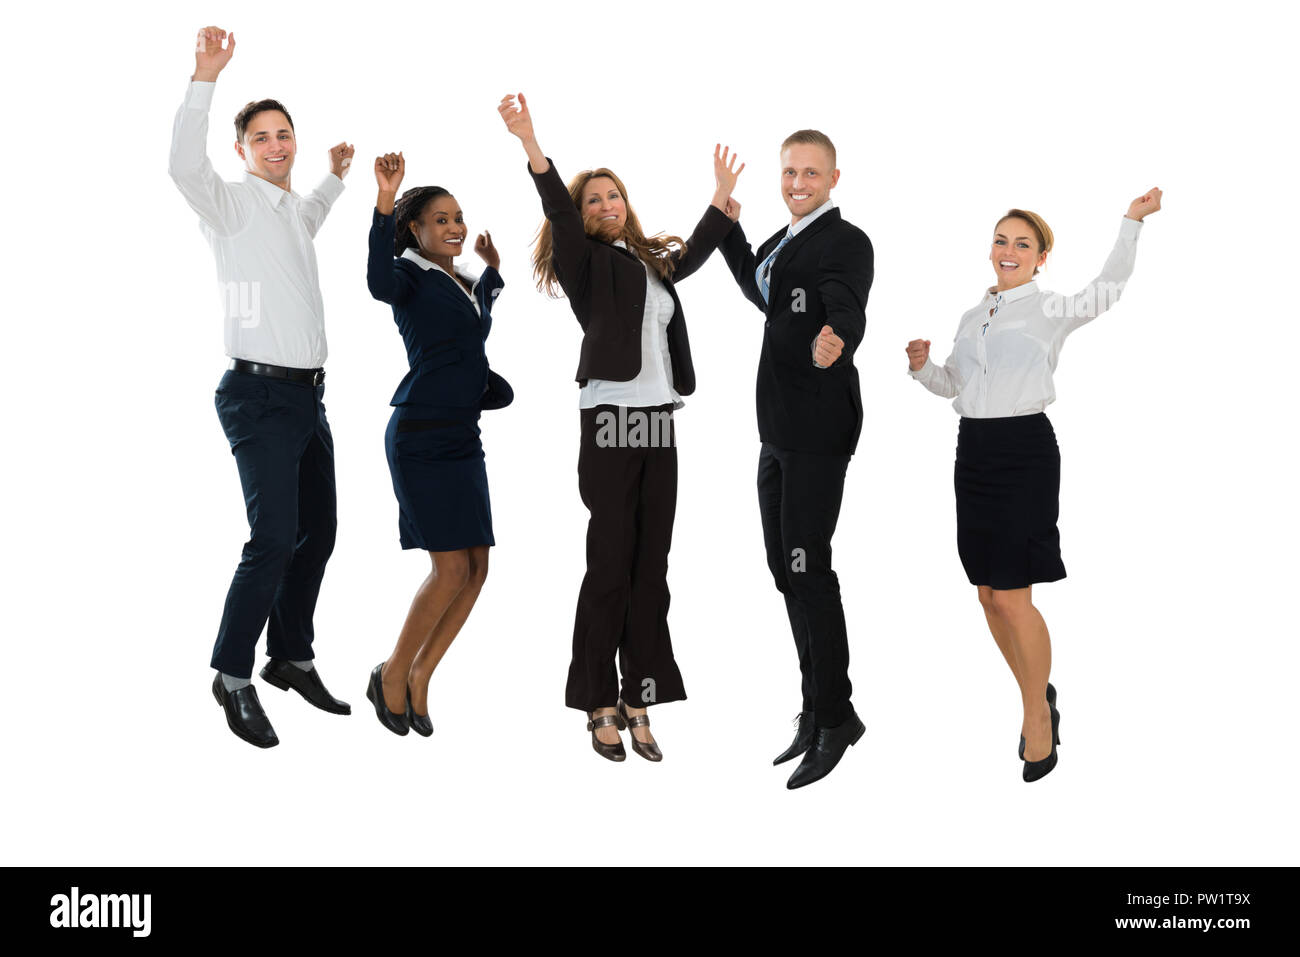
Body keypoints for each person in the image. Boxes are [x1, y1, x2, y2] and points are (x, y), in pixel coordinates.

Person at [498, 92, 741, 762]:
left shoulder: (651, 264)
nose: (606, 206)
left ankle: (643, 693)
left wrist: (721, 198)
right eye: (594, 200)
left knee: (650, 566)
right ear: (582, 215)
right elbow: (555, 209)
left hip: (660, 423)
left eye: (614, 197)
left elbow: (689, 257)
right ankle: (597, 699)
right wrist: (530, 143)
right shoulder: (584, 263)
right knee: (609, 563)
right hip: (609, 420)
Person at [905, 187, 1163, 782]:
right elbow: (955, 387)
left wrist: (1131, 221)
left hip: (1024, 453)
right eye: (1002, 240)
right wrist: (923, 368)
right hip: (974, 454)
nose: (1009, 250)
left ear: (1041, 256)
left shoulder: (1050, 309)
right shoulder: (973, 317)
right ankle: (1038, 694)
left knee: (1015, 595)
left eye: (1023, 243)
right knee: (988, 594)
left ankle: (1035, 720)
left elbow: (1110, 286)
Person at [169, 26, 354, 748]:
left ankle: (290, 656)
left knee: (320, 534)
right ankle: (232, 675)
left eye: (286, 135)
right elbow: (183, 166)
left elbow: (309, 214)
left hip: (309, 399)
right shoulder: (231, 205)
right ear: (242, 149)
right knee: (272, 538)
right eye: (263, 137)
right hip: (257, 398)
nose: (277, 145)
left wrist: (336, 177)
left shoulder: (288, 214)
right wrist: (205, 80)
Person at [717, 130, 874, 789]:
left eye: (811, 171)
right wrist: (727, 220)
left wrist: (838, 336)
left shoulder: (844, 240)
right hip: (776, 432)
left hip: (815, 432)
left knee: (809, 571)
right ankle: (816, 708)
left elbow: (845, 301)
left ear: (835, 177)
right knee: (786, 570)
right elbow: (765, 293)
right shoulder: (787, 242)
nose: (798, 181)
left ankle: (836, 718)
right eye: (789, 171)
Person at [364, 151, 513, 737]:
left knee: (477, 568)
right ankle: (392, 671)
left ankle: (423, 673)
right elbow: (377, 282)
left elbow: (471, 332)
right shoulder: (406, 273)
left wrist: (492, 273)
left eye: (458, 218)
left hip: (462, 435)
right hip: (421, 434)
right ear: (415, 230)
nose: (454, 227)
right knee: (449, 568)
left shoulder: (458, 279)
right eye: (441, 220)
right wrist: (383, 201)